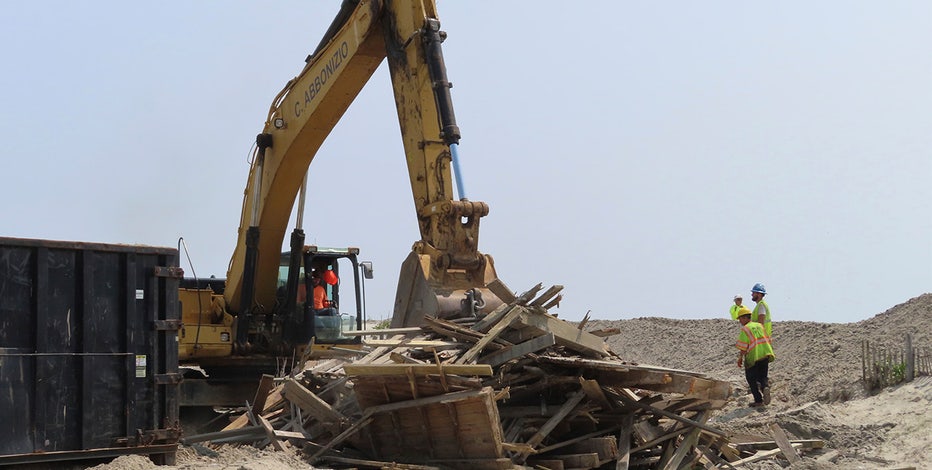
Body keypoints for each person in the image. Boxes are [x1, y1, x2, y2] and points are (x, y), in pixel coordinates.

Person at [735, 308, 775, 407]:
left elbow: (744, 347)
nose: (739, 321)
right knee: (763, 376)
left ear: (745, 318)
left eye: (740, 318)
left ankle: (758, 400)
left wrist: (740, 358)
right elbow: (768, 338)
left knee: (751, 379)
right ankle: (765, 387)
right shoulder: (760, 325)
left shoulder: (745, 329)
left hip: (753, 356)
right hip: (765, 353)